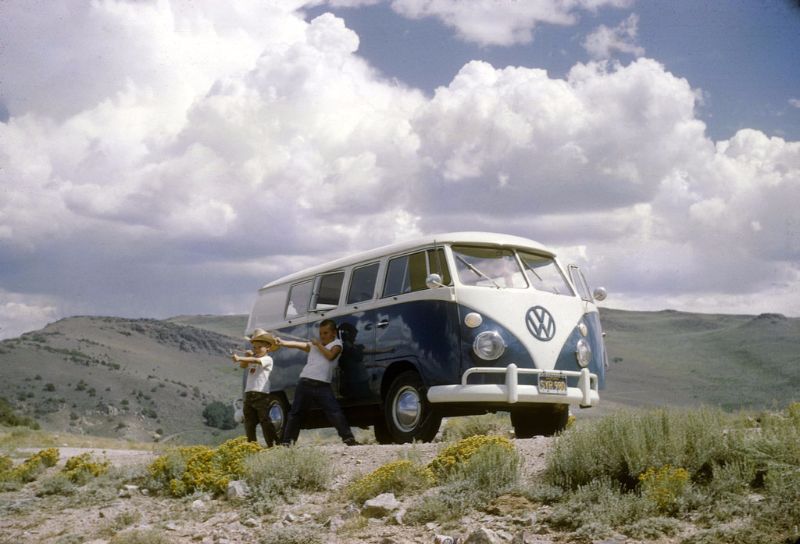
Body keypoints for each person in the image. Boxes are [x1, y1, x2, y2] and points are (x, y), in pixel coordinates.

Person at [276, 319, 358, 446]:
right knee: (295, 413)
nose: (322, 336)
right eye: (321, 333)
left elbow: (330, 356)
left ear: (333, 333)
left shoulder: (337, 344)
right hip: (305, 382)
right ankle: (287, 442)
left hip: (322, 385)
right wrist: (282, 342)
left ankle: (348, 439)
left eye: (325, 333)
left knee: (334, 412)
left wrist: (318, 344)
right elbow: (297, 344)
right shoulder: (315, 345)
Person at [231, 328, 280, 447]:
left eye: (259, 347)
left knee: (265, 421)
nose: (256, 350)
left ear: (268, 347)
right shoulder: (253, 359)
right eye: (254, 347)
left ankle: (273, 445)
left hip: (261, 393)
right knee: (249, 423)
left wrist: (241, 358)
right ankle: (252, 446)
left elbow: (255, 360)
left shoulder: (267, 359)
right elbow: (243, 366)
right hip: (249, 393)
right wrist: (245, 357)